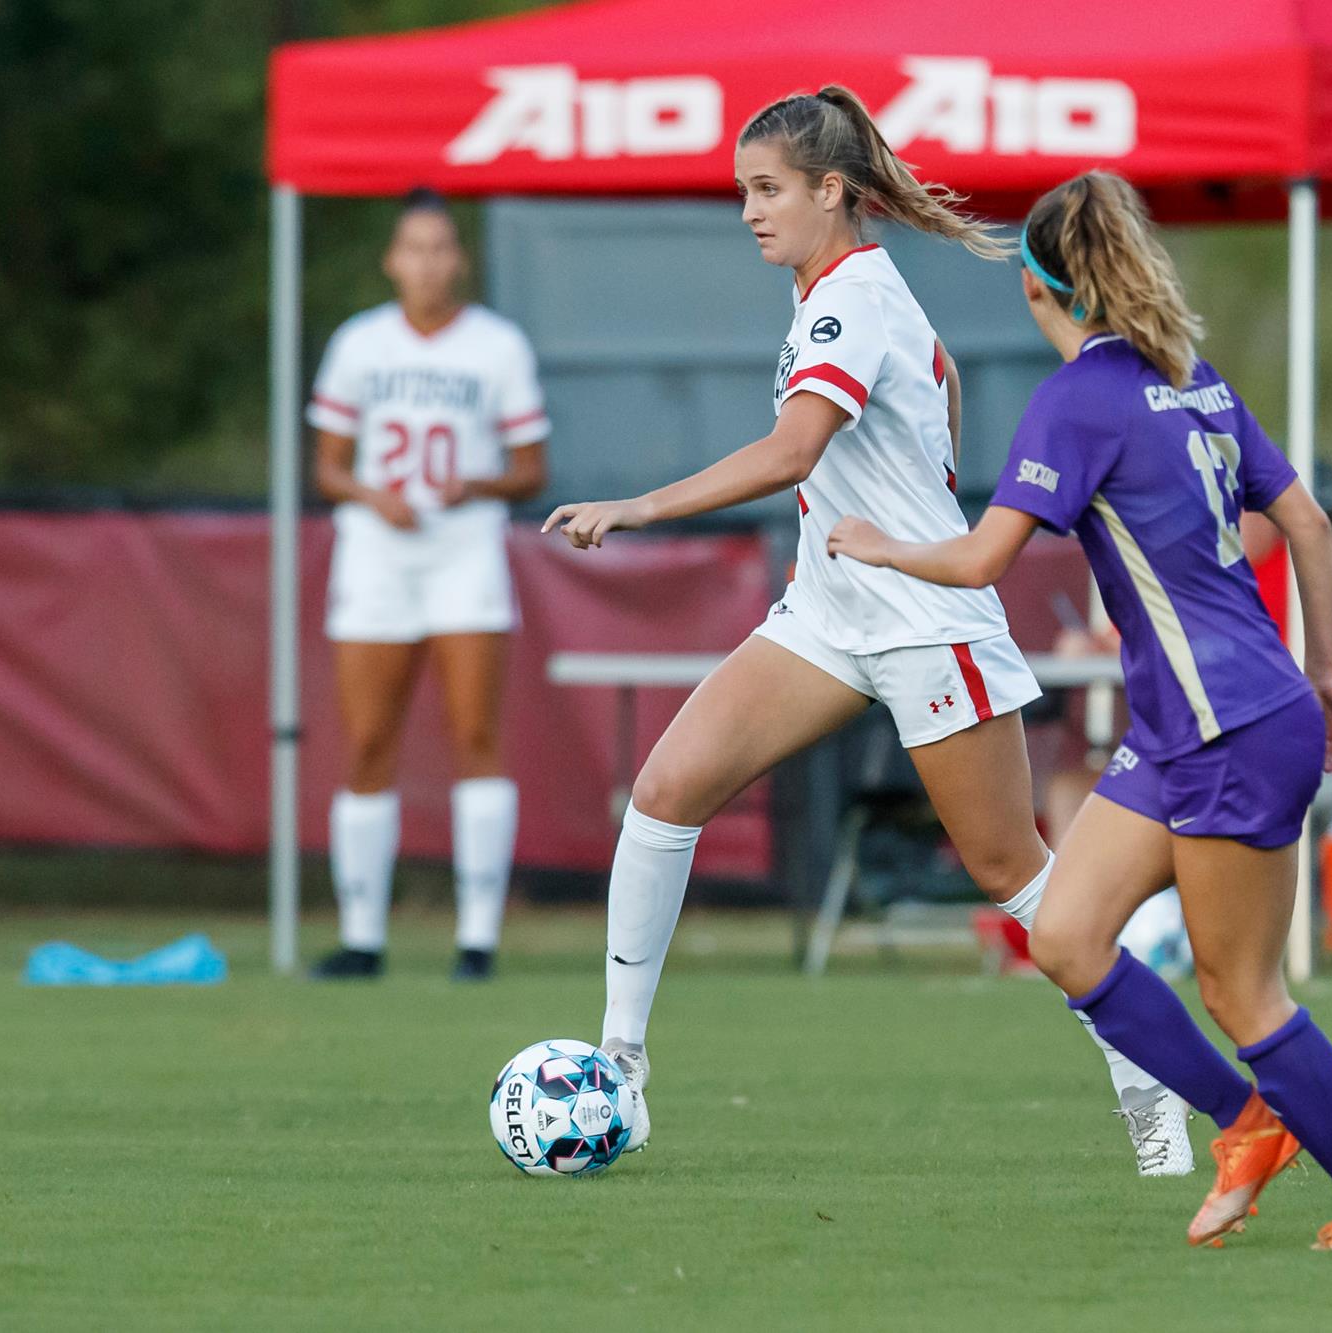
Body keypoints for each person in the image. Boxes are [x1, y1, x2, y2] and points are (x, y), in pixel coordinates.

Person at [542, 88, 1191, 1175]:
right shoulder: (825, 294)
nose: (747, 211)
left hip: (924, 618)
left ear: (828, 191)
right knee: (663, 793)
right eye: (741, 190)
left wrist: (635, 506)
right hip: (829, 610)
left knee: (1020, 880)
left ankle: (1150, 1075)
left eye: (766, 190)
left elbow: (792, 451)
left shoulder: (852, 301)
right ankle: (619, 1071)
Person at [825, 170, 1332, 1251]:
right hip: (1195, 725)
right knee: (1062, 937)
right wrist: (1326, 670)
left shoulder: (1081, 397)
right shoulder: (1187, 376)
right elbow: (1303, 520)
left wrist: (875, 542)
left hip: (1228, 728)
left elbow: (977, 560)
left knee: (1237, 991)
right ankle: (1248, 1124)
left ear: (1037, 289)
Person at [306, 189, 550, 983]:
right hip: (378, 556)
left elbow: (529, 469)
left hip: (464, 554)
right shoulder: (359, 344)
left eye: (441, 248)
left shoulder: (497, 346)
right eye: (413, 248)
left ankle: (477, 938)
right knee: (369, 740)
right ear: (392, 259)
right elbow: (329, 464)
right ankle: (362, 935)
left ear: (459, 259)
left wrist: (472, 488)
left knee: (475, 734)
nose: (427, 263)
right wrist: (372, 494)